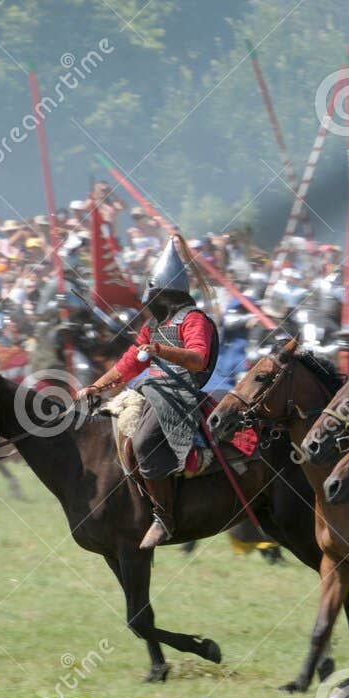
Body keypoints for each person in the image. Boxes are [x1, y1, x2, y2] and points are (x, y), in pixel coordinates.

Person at [78, 235, 219, 549]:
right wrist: (97, 385)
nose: (149, 301)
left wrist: (159, 349)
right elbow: (128, 364)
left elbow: (197, 359)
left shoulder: (194, 320)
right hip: (149, 389)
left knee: (143, 441)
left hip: (178, 394)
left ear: (166, 293)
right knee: (106, 426)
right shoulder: (153, 324)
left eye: (154, 295)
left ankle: (164, 517)